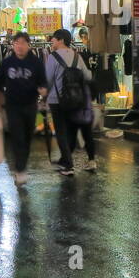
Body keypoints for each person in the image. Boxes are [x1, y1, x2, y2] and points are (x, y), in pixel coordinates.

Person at [0, 32, 47, 185]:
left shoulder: (36, 62)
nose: (20, 46)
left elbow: (43, 82)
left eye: (23, 42)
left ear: (29, 45)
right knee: (18, 137)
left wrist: (43, 91)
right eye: (17, 42)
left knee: (28, 137)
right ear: (13, 45)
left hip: (30, 105)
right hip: (12, 105)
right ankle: (20, 168)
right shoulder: (7, 62)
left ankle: (21, 166)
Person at [45, 28, 96, 176]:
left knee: (61, 131)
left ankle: (68, 165)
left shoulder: (52, 57)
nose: (52, 41)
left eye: (54, 38)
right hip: (75, 100)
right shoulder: (76, 56)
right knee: (69, 130)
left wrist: (43, 95)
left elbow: (48, 80)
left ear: (60, 40)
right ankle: (65, 159)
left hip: (57, 99)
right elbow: (87, 75)